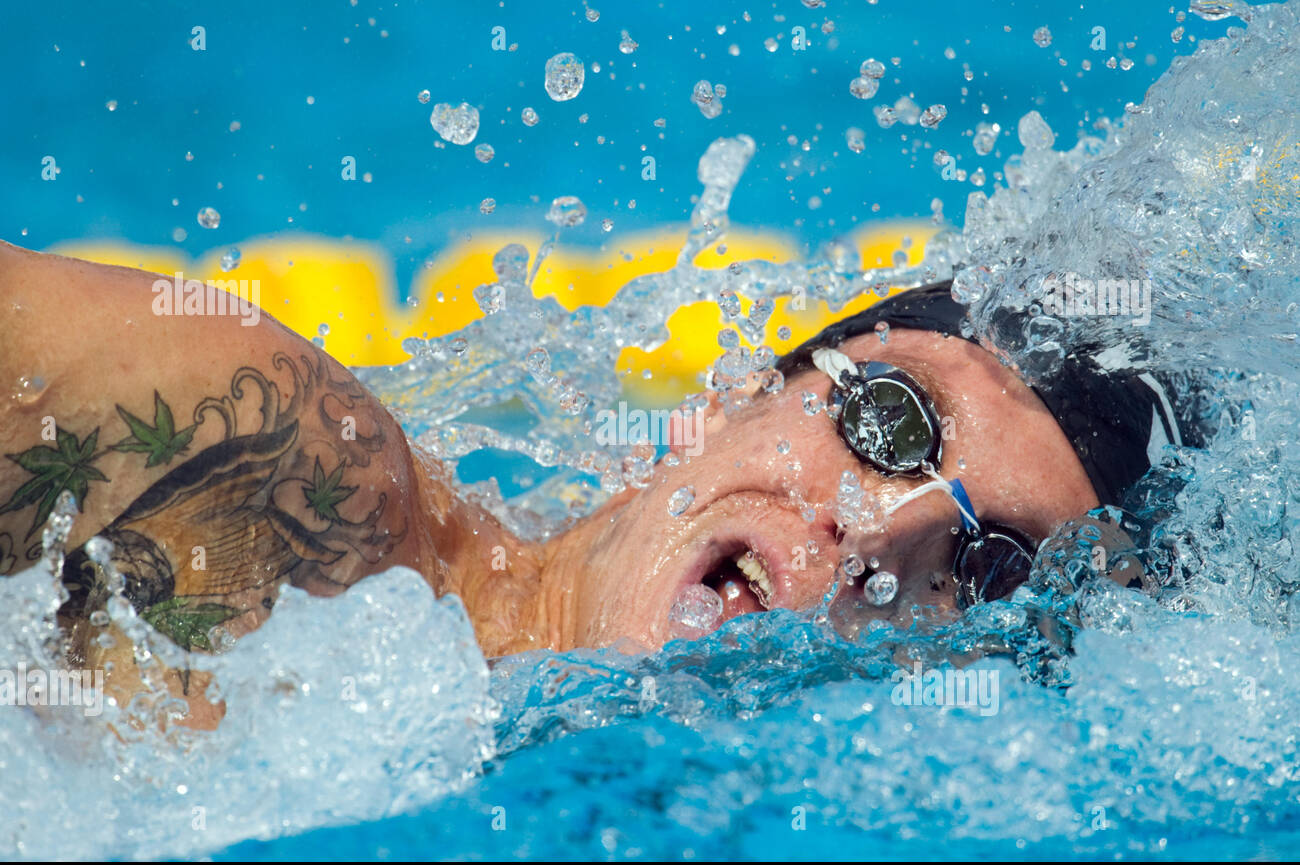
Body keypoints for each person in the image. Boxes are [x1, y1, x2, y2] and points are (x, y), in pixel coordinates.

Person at [0, 241, 1204, 728]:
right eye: (892, 421)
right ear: (727, 401)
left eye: (991, 572)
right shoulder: (293, 478)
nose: (882, 531)